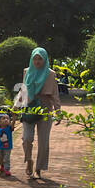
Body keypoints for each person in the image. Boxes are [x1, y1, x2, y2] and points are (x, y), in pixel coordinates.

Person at [20, 47, 61, 179]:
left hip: (45, 108)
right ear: (32, 59)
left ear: (45, 60)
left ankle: (39, 168)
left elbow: (55, 94)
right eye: (35, 59)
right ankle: (29, 160)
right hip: (30, 107)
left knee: (43, 141)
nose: (37, 62)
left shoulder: (50, 74)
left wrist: (58, 111)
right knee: (26, 138)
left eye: (40, 59)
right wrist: (16, 107)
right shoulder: (27, 71)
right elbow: (23, 90)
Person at [0, 112, 15, 177]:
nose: (6, 119)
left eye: (7, 118)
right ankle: (2, 165)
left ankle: (7, 170)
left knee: (6, 158)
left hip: (8, 147)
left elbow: (13, 123)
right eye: (3, 118)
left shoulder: (9, 128)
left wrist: (13, 117)